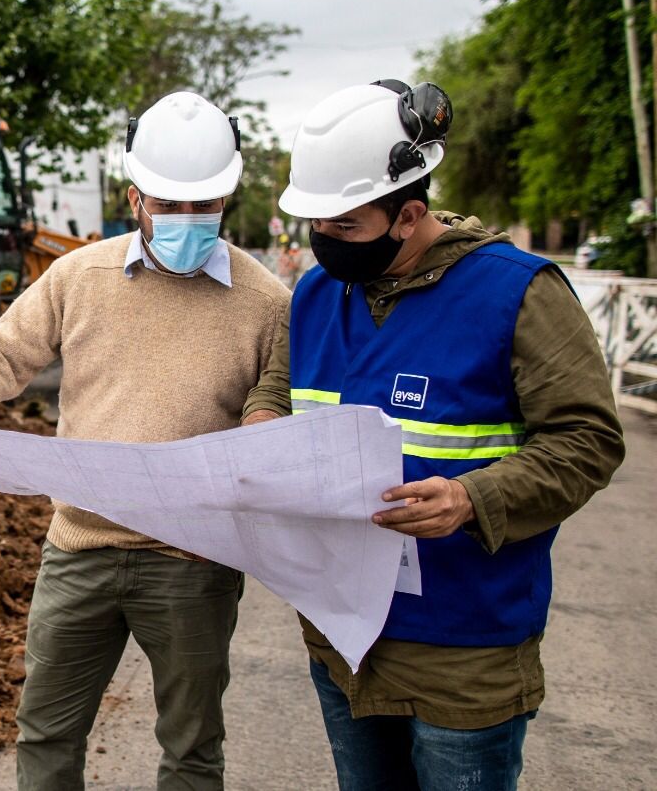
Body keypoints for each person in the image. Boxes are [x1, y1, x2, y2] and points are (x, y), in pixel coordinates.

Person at [242, 80, 626, 790]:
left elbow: (587, 439)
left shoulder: (518, 293)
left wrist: (469, 498)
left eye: (345, 227)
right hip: (341, 633)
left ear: (408, 213)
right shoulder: (318, 294)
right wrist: (262, 426)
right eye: (315, 226)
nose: (324, 242)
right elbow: (280, 385)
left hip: (464, 646)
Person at [0, 91, 291, 790]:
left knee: (192, 747)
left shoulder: (266, 302)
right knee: (46, 734)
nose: (183, 221)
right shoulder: (79, 276)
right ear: (135, 196)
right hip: (79, 549)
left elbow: (280, 403)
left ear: (226, 199)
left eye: (200, 207)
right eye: (166, 205)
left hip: (193, 561)